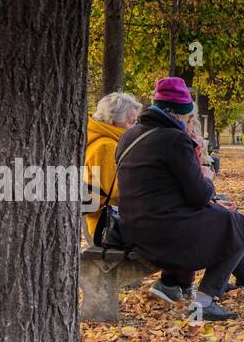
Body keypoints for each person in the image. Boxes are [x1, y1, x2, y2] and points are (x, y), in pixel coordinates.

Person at [117, 77, 244, 320]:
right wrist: (206, 177)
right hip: (163, 233)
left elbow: (159, 188)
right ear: (177, 115)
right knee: (236, 224)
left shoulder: (131, 136)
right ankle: (205, 301)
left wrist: (213, 201)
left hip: (134, 228)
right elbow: (199, 195)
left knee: (231, 224)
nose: (187, 124)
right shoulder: (174, 139)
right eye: (186, 119)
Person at [85, 91, 198, 301]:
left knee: (189, 221)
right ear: (113, 121)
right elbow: (123, 193)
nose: (136, 126)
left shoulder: (108, 141)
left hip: (117, 221)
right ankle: (178, 282)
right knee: (188, 224)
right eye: (131, 121)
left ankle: (179, 282)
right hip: (111, 228)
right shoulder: (106, 146)